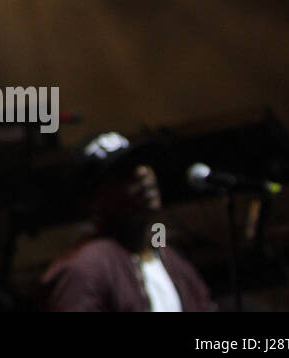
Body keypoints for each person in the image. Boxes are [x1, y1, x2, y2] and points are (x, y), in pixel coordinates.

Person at [40, 132, 215, 312]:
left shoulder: (167, 256)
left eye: (142, 163)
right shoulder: (84, 268)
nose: (142, 173)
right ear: (93, 199)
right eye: (123, 173)